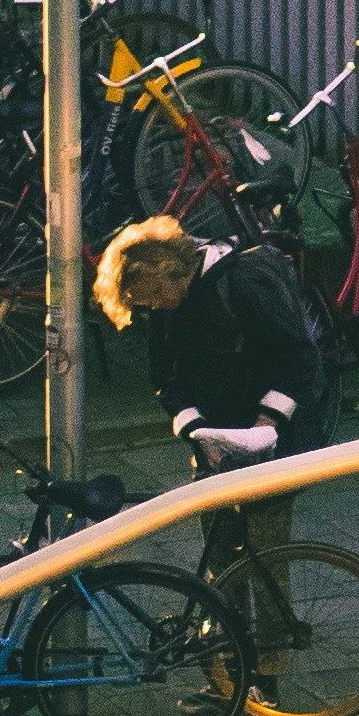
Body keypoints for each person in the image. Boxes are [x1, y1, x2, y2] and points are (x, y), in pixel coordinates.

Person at [91, 211, 324, 667]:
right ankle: (229, 676)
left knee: (265, 556)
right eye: (144, 304)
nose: (153, 307)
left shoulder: (243, 282)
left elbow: (300, 358)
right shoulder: (168, 301)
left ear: (169, 270)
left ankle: (268, 676)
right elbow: (164, 375)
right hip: (214, 442)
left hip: (273, 441)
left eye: (154, 295)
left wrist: (266, 422)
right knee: (220, 557)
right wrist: (195, 428)